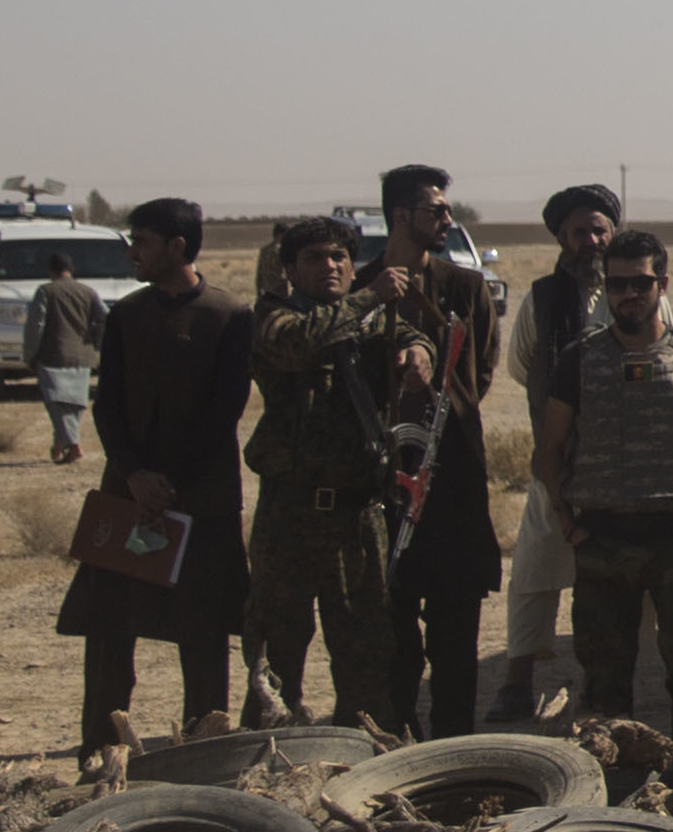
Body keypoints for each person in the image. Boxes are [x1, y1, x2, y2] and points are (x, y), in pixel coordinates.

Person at [55, 197, 253, 767]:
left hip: (202, 502)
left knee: (204, 634)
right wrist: (136, 475)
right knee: (110, 632)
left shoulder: (228, 315)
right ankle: (100, 756)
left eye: (141, 241)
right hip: (127, 498)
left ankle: (206, 755)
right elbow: (107, 404)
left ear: (177, 246)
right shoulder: (127, 315)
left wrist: (172, 483)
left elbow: (224, 411)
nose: (132, 252)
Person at [535, 228, 673, 722]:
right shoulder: (579, 359)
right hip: (602, 542)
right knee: (604, 686)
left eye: (640, 284)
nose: (628, 294)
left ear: (662, 285)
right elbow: (550, 448)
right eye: (618, 284)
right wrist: (566, 519)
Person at [247, 217, 422, 725]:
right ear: (290, 270)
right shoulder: (274, 316)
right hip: (291, 510)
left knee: (365, 646)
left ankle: (365, 748)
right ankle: (266, 753)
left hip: (356, 513)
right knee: (277, 647)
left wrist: (420, 354)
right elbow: (299, 342)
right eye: (315, 259)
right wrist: (369, 296)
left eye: (339, 257)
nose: (330, 266)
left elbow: (412, 337)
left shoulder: (371, 318)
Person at [359, 164, 506, 736]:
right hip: (384, 489)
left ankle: (453, 756)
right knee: (392, 646)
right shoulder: (363, 287)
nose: (448, 218)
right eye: (436, 210)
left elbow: (482, 372)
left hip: (453, 485)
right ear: (400, 215)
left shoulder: (466, 288)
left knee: (455, 645)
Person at [493, 183, 622, 720]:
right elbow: (522, 368)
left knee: (616, 580)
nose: (590, 240)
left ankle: (605, 685)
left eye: (599, 229)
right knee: (534, 571)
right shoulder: (542, 299)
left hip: (623, 467)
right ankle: (518, 682)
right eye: (579, 232)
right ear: (562, 239)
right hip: (557, 464)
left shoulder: (637, 289)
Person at [27, 246, 108, 468]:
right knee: (72, 404)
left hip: (53, 355)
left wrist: (30, 354)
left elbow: (36, 326)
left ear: (50, 270)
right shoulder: (88, 292)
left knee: (57, 404)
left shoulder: (46, 291)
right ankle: (61, 444)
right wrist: (95, 344)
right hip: (82, 355)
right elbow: (104, 318)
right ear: (71, 269)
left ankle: (73, 445)